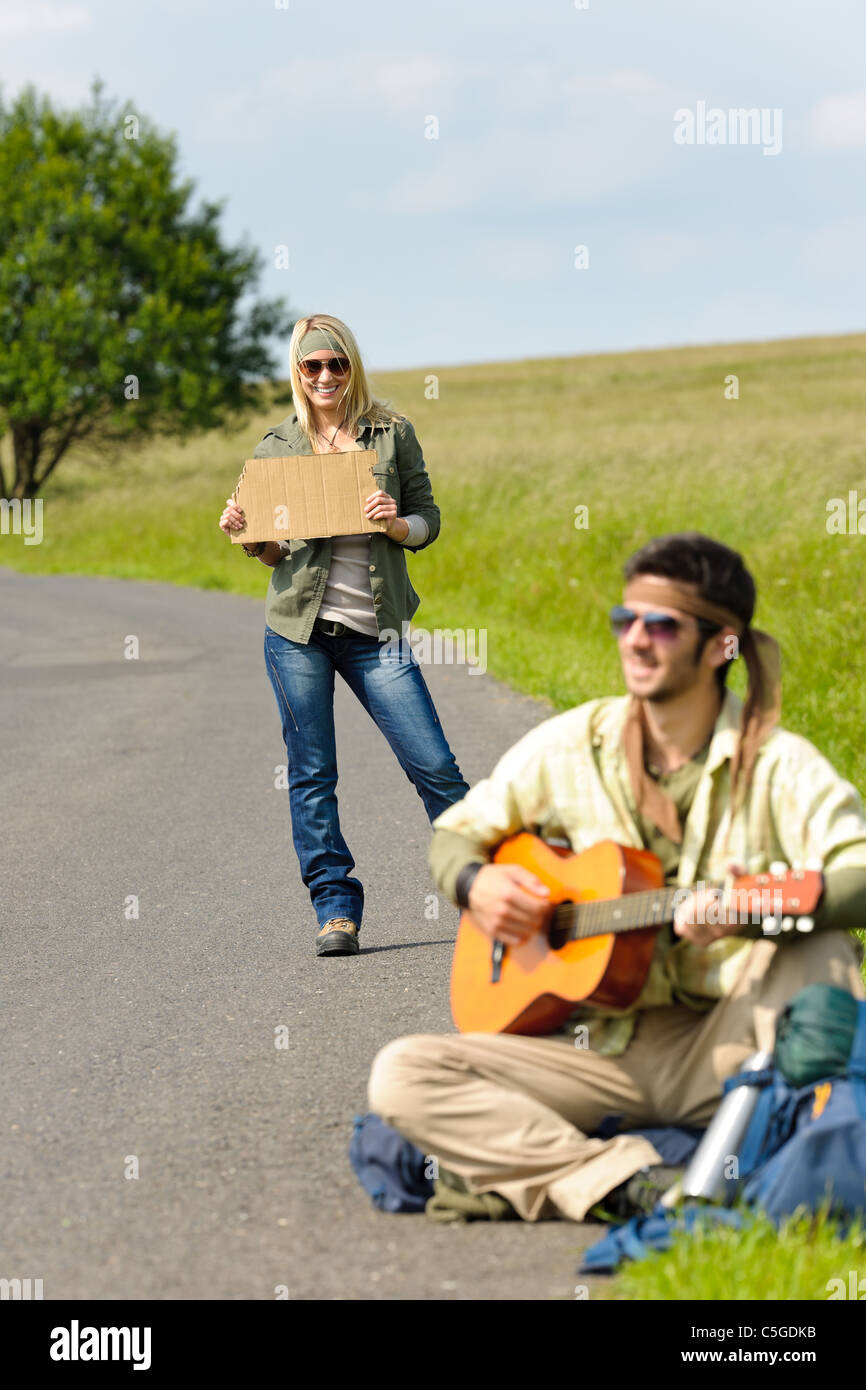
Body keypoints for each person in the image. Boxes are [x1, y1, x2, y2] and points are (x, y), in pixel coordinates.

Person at [368, 532, 866, 1221]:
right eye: (624, 621)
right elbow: (456, 833)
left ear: (722, 645)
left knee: (825, 951)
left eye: (661, 625)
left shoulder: (781, 763)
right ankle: (627, 1184)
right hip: (599, 1054)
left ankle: (709, 1160)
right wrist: (475, 885)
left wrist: (750, 910)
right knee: (405, 1075)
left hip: (732, 1045)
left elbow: (859, 874)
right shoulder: (576, 742)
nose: (635, 640)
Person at [219, 313, 469, 957]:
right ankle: (335, 910)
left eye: (337, 363)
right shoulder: (276, 446)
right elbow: (273, 554)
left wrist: (397, 524)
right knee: (312, 774)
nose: (326, 375)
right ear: (297, 374)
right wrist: (247, 534)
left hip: (376, 632)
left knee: (436, 766)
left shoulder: (391, 434)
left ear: (351, 365)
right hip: (297, 634)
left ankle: (486, 892)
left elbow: (429, 519)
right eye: (312, 366)